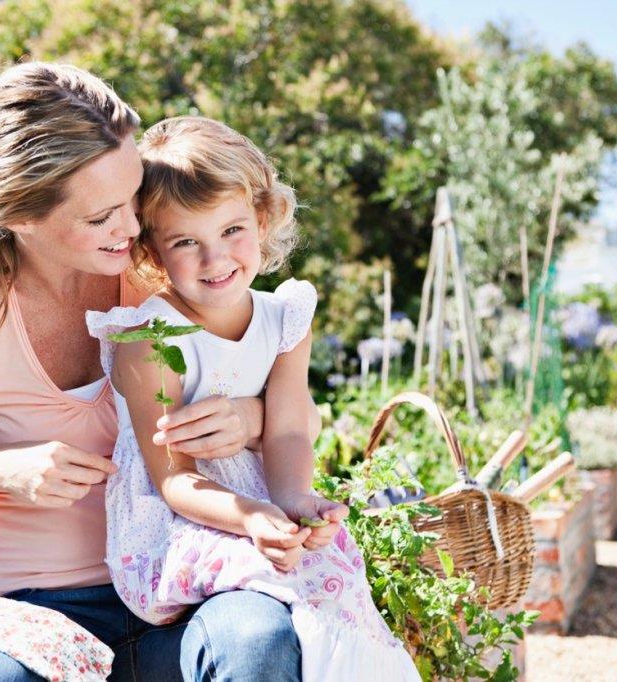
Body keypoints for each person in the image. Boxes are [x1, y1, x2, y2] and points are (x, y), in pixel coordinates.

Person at [0, 62, 318, 682]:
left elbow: (293, 403)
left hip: (190, 581)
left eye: (132, 195)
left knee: (256, 637)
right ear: (22, 216)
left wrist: (251, 416)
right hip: (46, 610)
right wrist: (2, 468)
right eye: (101, 215)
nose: (134, 227)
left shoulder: (159, 267)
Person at [87, 116, 421, 682]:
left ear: (263, 219)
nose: (215, 260)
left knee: (337, 591)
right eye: (186, 241)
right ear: (151, 251)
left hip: (263, 503)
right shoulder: (150, 341)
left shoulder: (284, 317)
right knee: (288, 594)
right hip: (182, 522)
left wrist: (294, 500)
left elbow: (289, 429)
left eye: (232, 231)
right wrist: (254, 521)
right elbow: (173, 479)